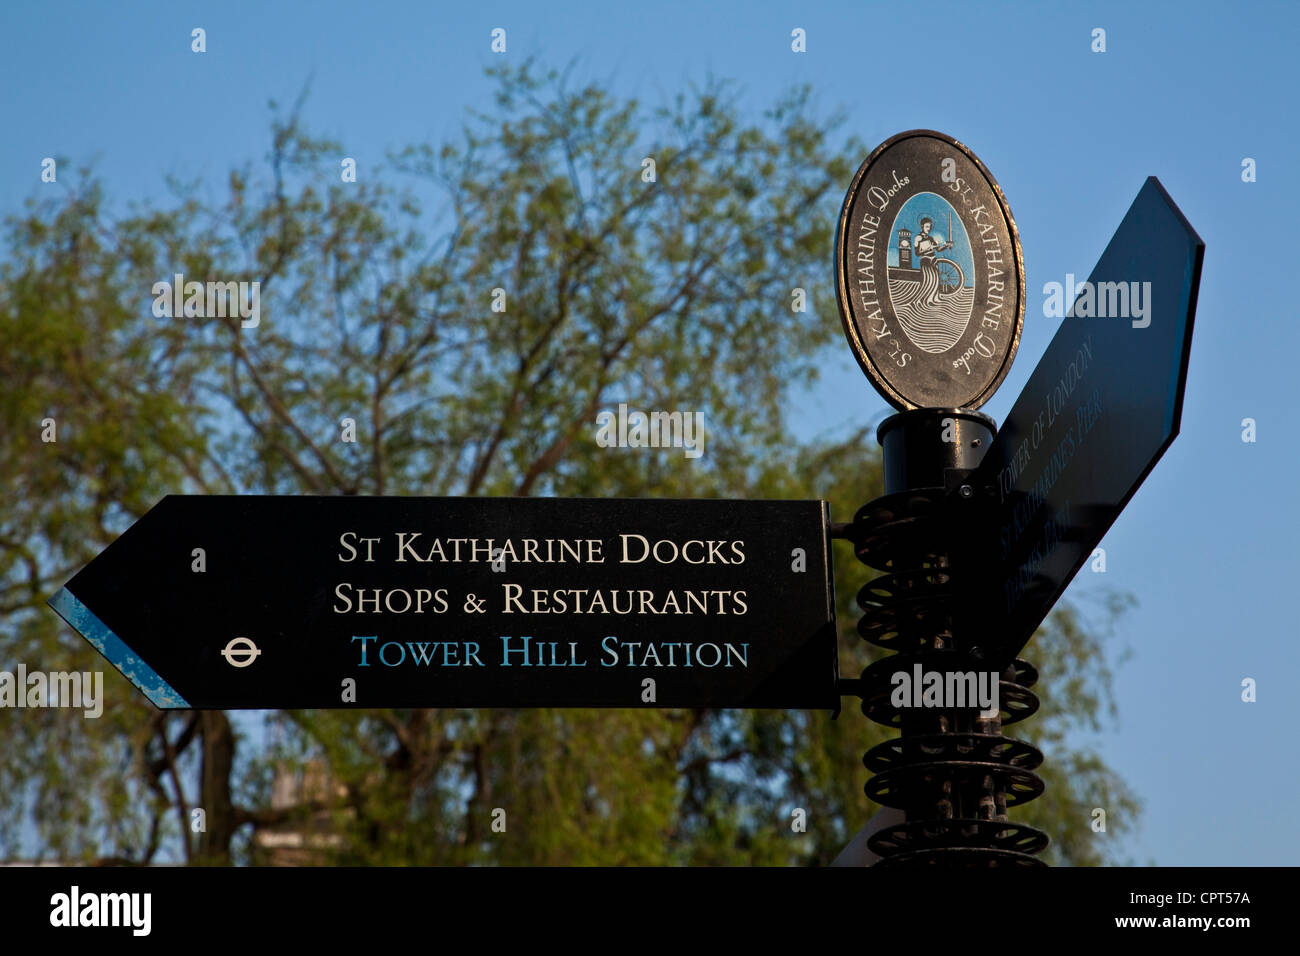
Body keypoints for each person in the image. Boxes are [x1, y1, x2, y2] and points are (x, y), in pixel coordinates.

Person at [912, 217, 952, 307]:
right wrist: (928, 248)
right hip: (925, 260)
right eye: (926, 226)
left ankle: (933, 299)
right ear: (922, 226)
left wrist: (946, 245)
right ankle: (923, 300)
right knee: (928, 279)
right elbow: (917, 253)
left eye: (929, 227)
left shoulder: (930, 238)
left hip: (933, 259)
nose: (928, 229)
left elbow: (938, 249)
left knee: (936, 280)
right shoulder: (918, 238)